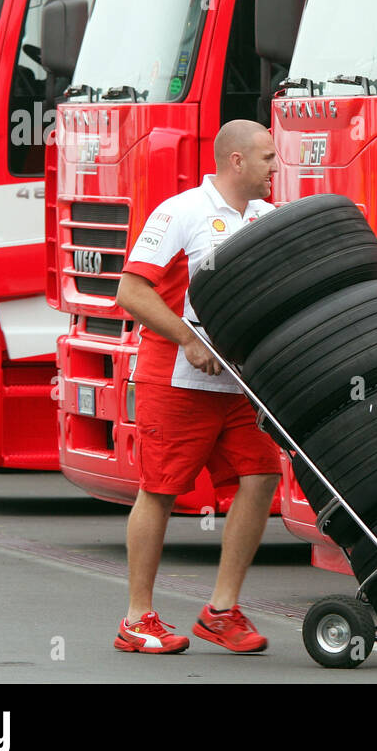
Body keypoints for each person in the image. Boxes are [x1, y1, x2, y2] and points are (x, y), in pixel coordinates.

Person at [112, 119, 283, 654]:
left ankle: (221, 611)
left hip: (239, 382)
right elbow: (131, 291)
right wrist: (188, 339)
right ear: (236, 161)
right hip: (178, 378)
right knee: (160, 490)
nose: (276, 168)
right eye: (267, 159)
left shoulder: (269, 219)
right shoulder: (180, 212)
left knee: (259, 479)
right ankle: (137, 617)